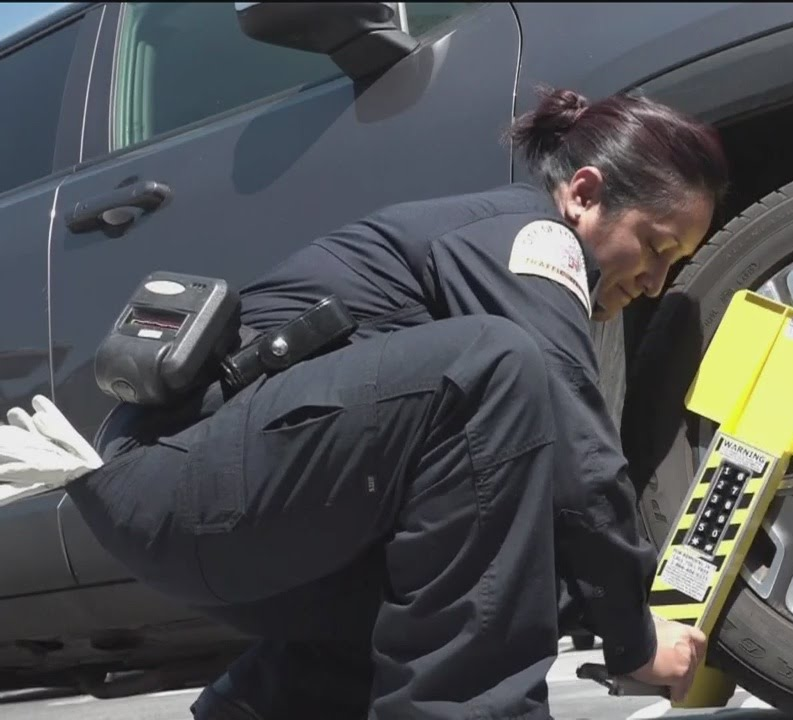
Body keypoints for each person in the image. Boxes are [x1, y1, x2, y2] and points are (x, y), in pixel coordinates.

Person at [0, 87, 730, 719]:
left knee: (474, 519)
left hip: (213, 504)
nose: (657, 283)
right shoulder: (535, 239)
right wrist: (634, 634)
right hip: (185, 479)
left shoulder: (490, 249)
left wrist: (590, 598)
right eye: (657, 247)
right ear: (584, 193)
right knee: (498, 370)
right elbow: (581, 447)